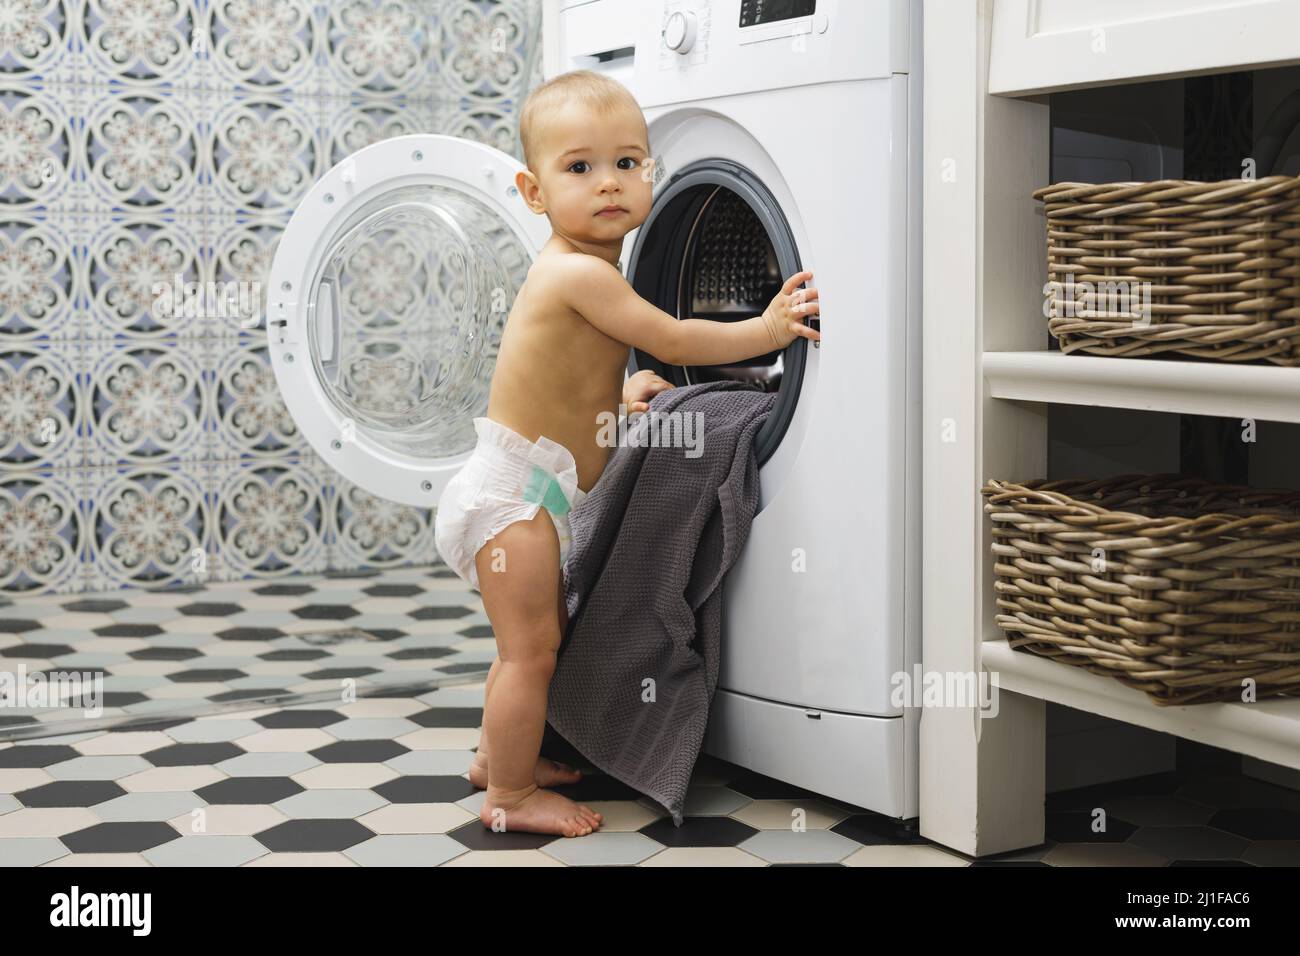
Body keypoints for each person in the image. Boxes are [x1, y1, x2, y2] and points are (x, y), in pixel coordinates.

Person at [433, 69, 821, 838]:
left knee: (527, 646)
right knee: (531, 653)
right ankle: (507, 796)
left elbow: (559, 391)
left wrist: (618, 404)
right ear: (535, 192)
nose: (608, 184)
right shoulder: (579, 272)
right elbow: (674, 336)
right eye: (578, 168)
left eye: (627, 163)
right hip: (510, 501)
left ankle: (496, 757)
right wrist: (768, 332)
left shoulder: (589, 270)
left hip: (527, 489)